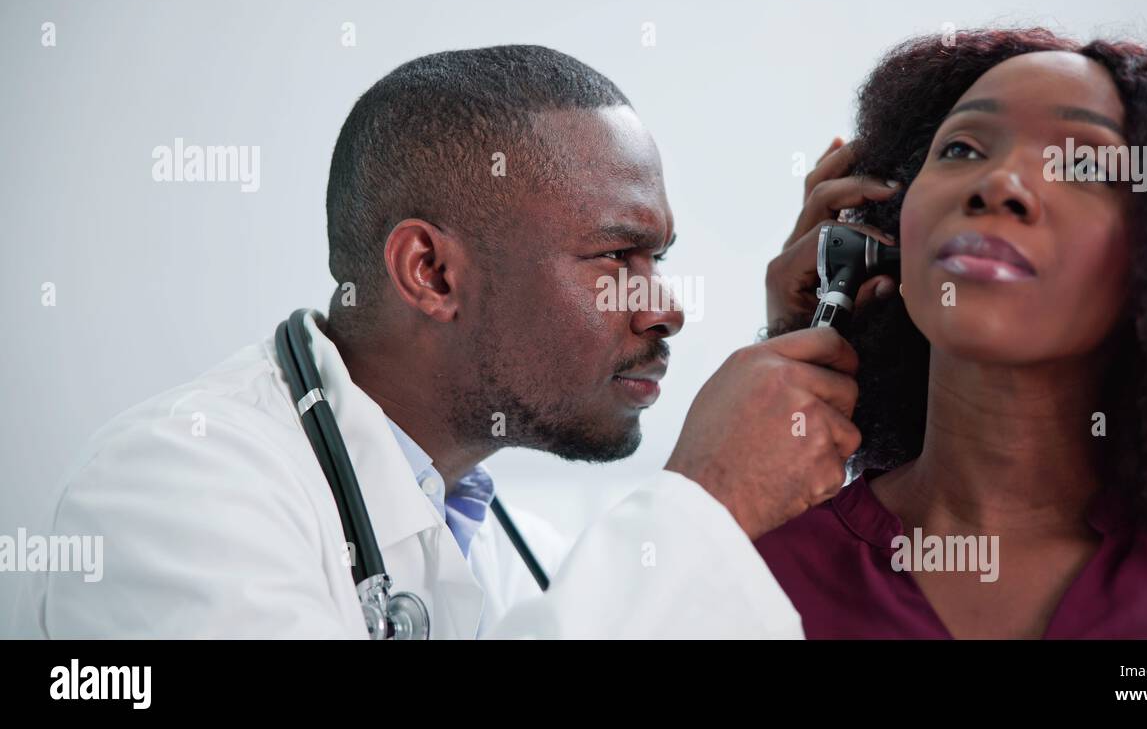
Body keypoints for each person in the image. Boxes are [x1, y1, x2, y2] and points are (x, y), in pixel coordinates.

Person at [18, 45, 862, 639]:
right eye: (617, 256)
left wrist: (798, 348)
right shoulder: (175, 490)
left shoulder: (508, 539)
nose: (665, 308)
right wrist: (706, 502)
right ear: (431, 272)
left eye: (660, 258)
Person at [757, 28, 1147, 639]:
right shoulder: (748, 567)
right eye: (962, 149)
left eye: (1086, 164)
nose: (999, 185)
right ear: (889, 236)